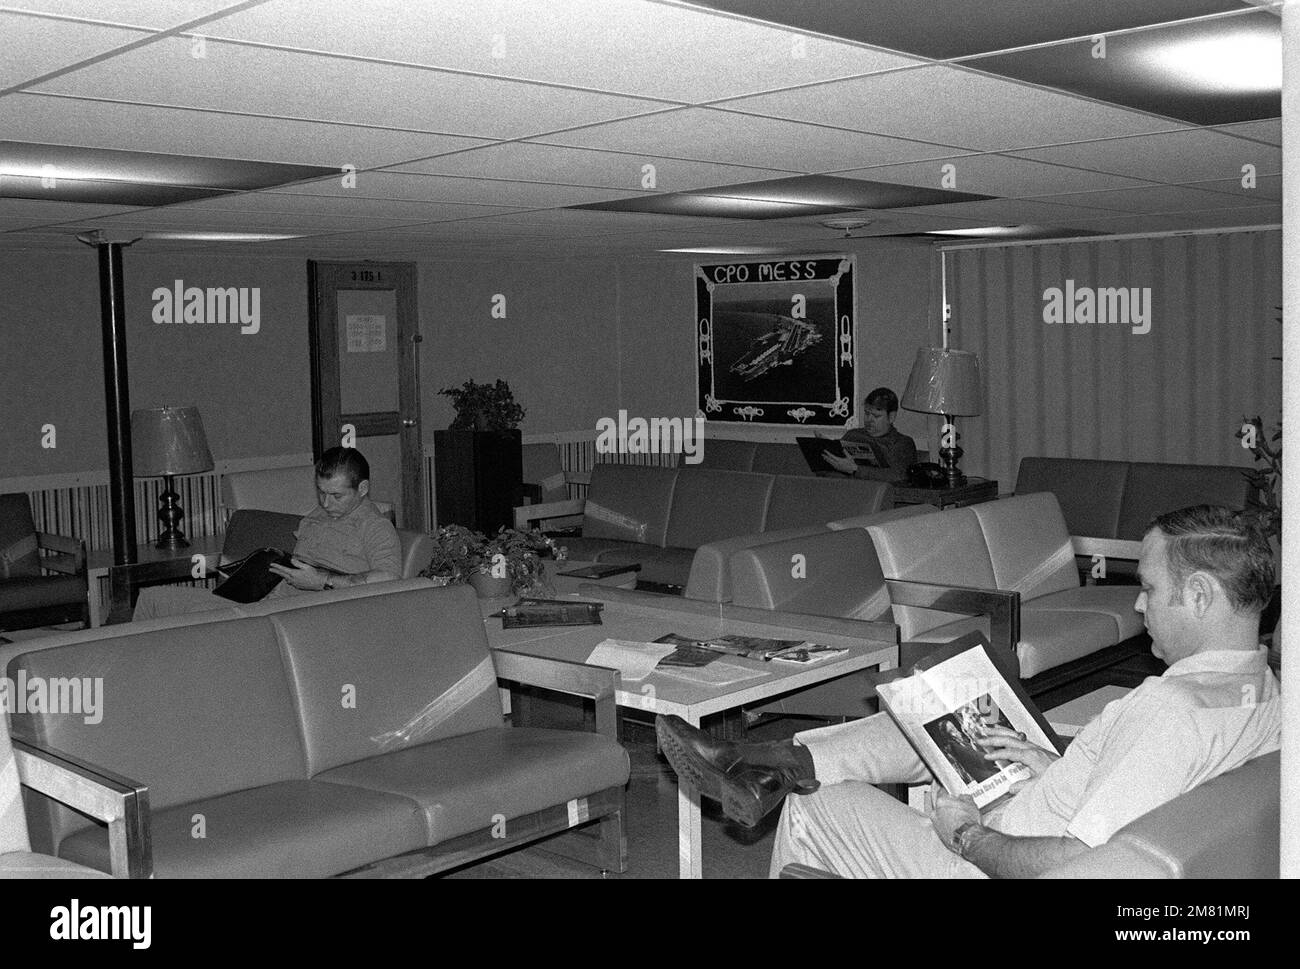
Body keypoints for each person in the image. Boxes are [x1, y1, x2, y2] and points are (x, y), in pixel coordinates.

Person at [656, 504, 1280, 878]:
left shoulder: (1170, 712)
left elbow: (1074, 864)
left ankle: (773, 778)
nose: (1139, 605)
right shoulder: (1264, 691)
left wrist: (964, 834)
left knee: (817, 805)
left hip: (994, 860)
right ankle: (767, 765)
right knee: (929, 715)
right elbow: (1135, 793)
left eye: (1147, 587)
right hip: (1044, 805)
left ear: (1199, 595)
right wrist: (1051, 764)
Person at [132, 447, 402, 620]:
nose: (326, 503)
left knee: (193, 615)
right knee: (153, 600)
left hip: (293, 615)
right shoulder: (319, 515)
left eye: (336, 495)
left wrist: (322, 581)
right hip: (262, 598)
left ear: (363, 489)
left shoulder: (375, 527)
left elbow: (389, 579)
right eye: (321, 492)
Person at [821, 387, 918, 483]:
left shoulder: (902, 443)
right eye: (867, 413)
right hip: (843, 488)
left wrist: (855, 469)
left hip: (879, 493)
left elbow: (899, 475)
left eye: (876, 416)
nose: (869, 420)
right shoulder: (853, 435)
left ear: (891, 417)